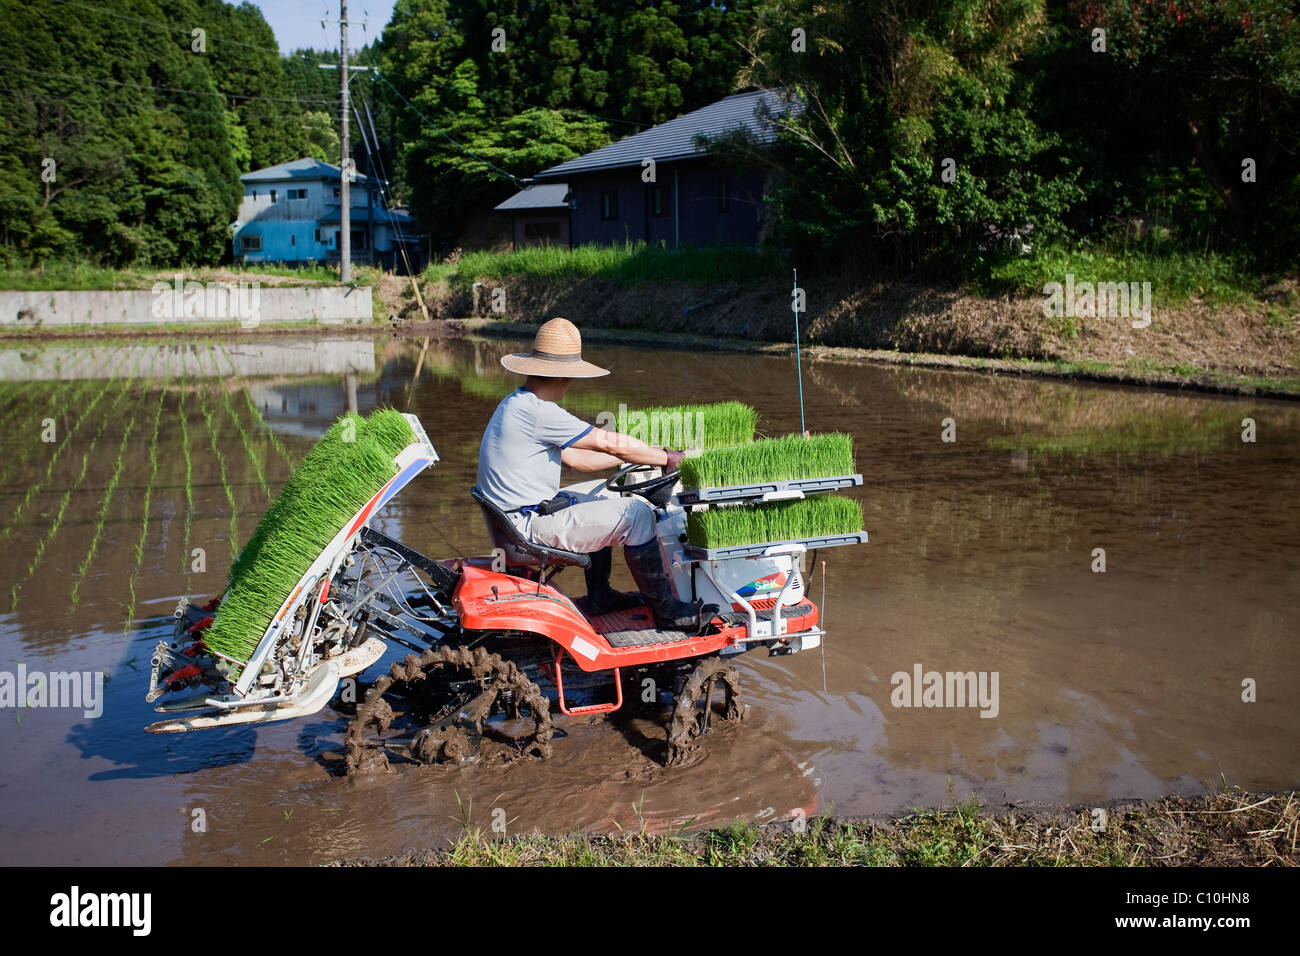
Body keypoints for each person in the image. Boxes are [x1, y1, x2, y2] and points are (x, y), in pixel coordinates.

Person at [475, 317, 716, 631]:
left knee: (604, 493)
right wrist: (670, 458)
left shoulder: (516, 404)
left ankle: (600, 595)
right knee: (638, 514)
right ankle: (669, 612)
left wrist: (638, 459)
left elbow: (576, 459)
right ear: (562, 375)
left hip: (514, 524)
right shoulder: (539, 411)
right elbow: (609, 441)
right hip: (528, 530)